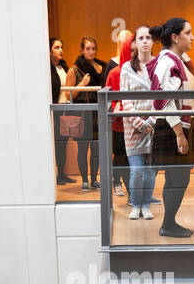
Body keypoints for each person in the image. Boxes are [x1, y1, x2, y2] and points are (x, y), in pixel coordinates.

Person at [148, 18, 194, 237]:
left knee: (178, 178)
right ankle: (168, 225)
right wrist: (179, 133)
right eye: (188, 33)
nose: (193, 37)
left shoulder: (173, 58)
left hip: (175, 125)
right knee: (178, 178)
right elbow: (165, 99)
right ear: (175, 37)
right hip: (172, 126)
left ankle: (169, 223)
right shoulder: (168, 62)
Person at [119, 26, 158, 220]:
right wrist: (139, 123)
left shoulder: (159, 65)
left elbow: (162, 97)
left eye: (148, 37)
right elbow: (125, 100)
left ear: (152, 41)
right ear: (135, 42)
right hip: (132, 128)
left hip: (153, 126)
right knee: (136, 171)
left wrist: (150, 121)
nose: (144, 41)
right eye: (140, 37)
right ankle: (135, 204)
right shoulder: (127, 67)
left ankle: (145, 204)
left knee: (150, 171)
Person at [65, 36, 108, 190]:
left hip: (98, 113)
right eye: (88, 48)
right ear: (82, 50)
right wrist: (82, 84)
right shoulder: (74, 69)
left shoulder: (102, 66)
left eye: (93, 48)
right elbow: (68, 95)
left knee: (96, 149)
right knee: (83, 149)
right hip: (83, 114)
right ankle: (84, 180)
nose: (91, 51)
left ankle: (94, 179)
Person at [105, 30, 133, 198]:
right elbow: (107, 98)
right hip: (119, 123)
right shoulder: (114, 72)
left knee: (133, 158)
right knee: (120, 155)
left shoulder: (141, 72)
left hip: (136, 123)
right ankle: (117, 183)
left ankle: (133, 192)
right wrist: (117, 106)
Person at [50, 37, 73, 185]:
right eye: (56, 47)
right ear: (49, 51)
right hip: (55, 110)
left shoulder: (64, 67)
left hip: (65, 109)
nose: (60, 50)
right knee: (56, 144)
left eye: (61, 47)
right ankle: (56, 175)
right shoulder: (47, 69)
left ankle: (62, 174)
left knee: (63, 143)